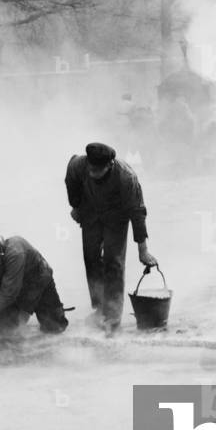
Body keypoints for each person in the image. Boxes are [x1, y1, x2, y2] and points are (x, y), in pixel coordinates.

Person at [65, 142, 158, 334]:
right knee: (90, 256)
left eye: (97, 170)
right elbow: (71, 179)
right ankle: (100, 308)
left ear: (110, 164)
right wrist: (76, 206)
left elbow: (137, 212)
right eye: (90, 169)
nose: (92, 173)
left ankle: (113, 316)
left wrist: (143, 250)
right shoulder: (79, 165)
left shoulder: (126, 177)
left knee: (113, 261)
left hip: (116, 216)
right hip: (90, 210)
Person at [0, 228, 69, 343]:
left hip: (36, 282)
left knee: (55, 327)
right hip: (10, 285)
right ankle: (20, 318)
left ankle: (46, 311)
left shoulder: (15, 252)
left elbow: (7, 294)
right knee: (3, 329)